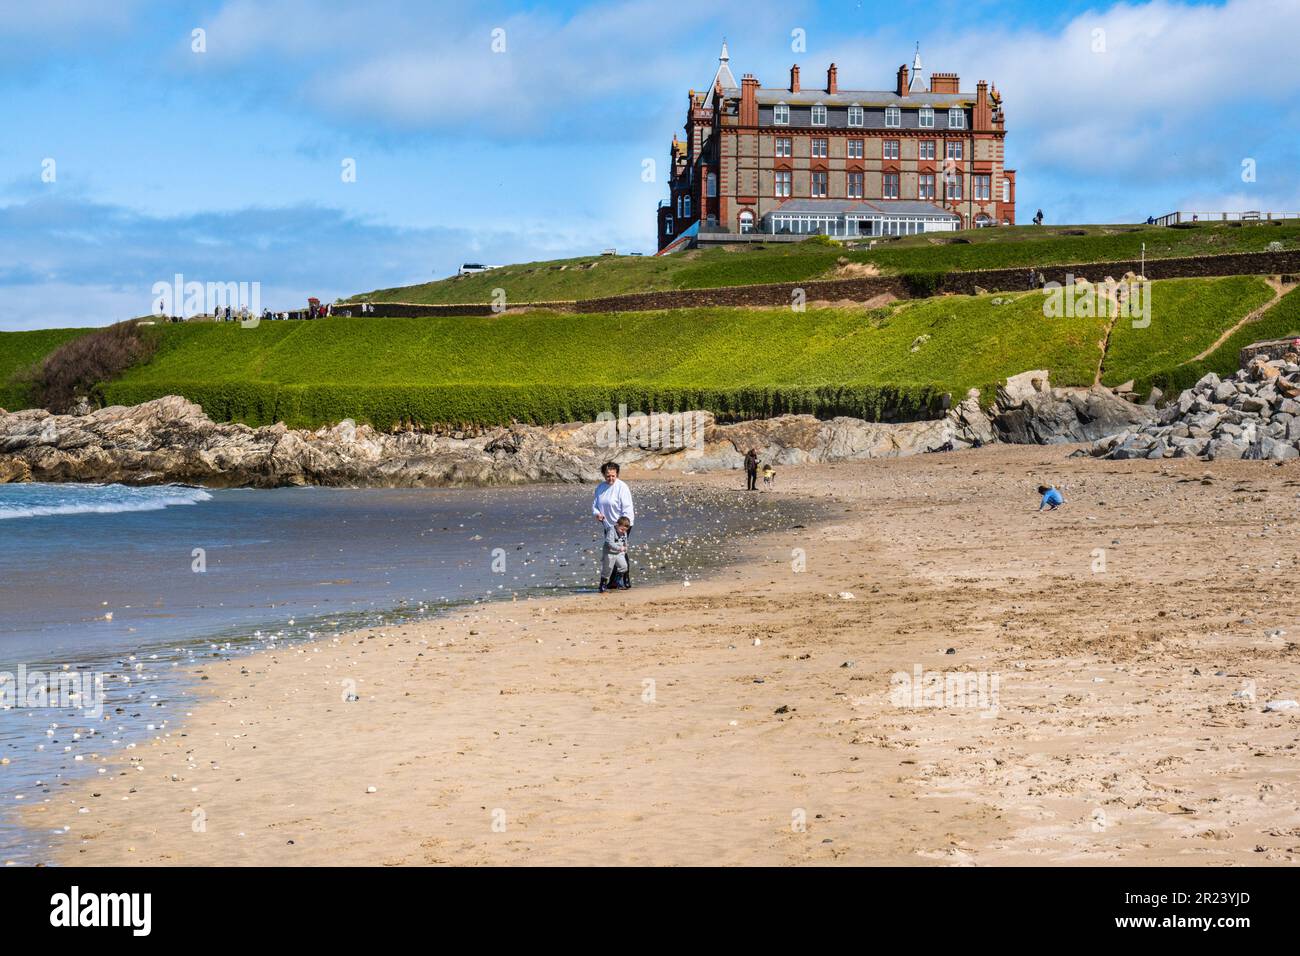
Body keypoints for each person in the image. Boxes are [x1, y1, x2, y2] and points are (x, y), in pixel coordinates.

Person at [592, 461, 635, 584]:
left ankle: (624, 579)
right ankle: (613, 581)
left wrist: (620, 526)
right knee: (610, 551)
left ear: (617, 474)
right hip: (607, 524)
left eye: (613, 476)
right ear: (604, 475)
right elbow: (595, 505)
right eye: (608, 476)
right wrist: (597, 514)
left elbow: (627, 509)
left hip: (623, 525)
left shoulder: (622, 487)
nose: (610, 478)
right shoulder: (600, 487)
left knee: (619, 551)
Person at [600, 516, 631, 592]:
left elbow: (625, 541)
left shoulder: (624, 532)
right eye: (621, 529)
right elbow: (609, 543)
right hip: (609, 553)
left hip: (619, 553)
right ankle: (602, 585)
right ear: (617, 525)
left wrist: (625, 547)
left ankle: (616, 582)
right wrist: (619, 548)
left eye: (625, 530)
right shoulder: (611, 530)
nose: (622, 531)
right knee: (607, 569)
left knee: (624, 567)